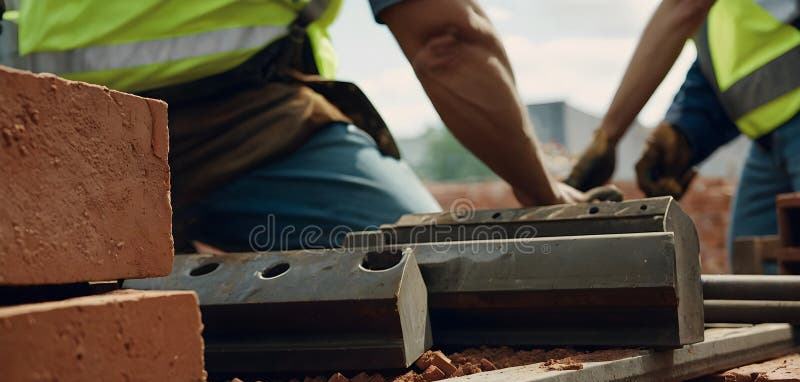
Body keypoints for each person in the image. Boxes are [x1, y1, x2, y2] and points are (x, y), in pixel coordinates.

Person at [1, 0, 618, 252]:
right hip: (247, 125)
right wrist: (542, 191)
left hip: (59, 126)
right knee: (422, 263)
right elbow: (446, 38)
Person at [564, 0, 800, 268]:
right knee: (754, 268)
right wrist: (686, 131)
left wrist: (608, 137)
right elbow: (734, 67)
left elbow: (683, 7)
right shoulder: (723, 16)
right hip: (770, 141)